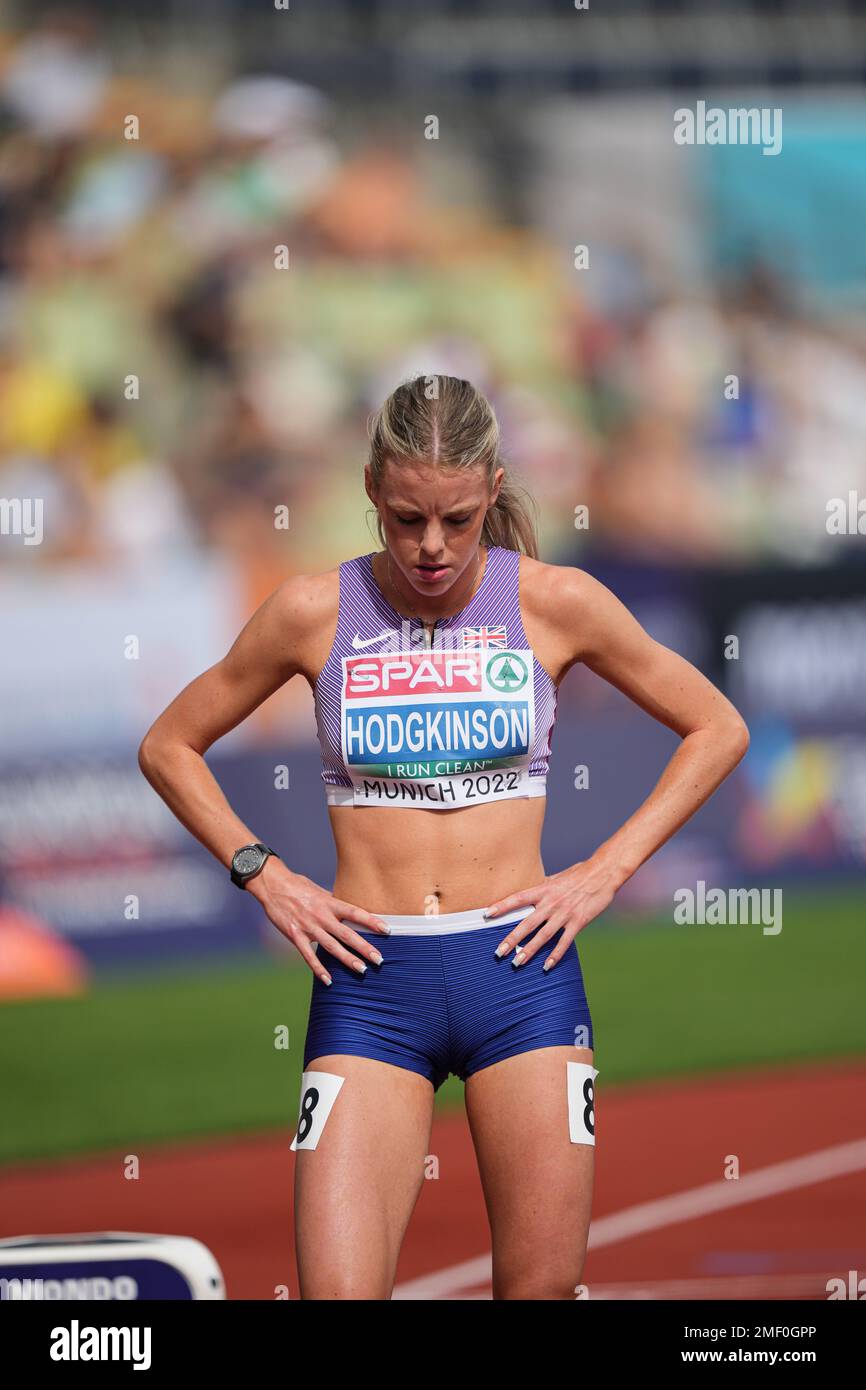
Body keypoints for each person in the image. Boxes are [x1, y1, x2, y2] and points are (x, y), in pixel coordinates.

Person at [138, 374, 749, 1300]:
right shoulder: (313, 611)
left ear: (493, 489)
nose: (431, 545)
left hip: (523, 976)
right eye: (406, 518)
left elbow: (717, 726)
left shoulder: (557, 601)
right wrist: (264, 873)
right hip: (369, 985)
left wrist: (604, 871)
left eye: (458, 520)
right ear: (371, 490)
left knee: (538, 1293)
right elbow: (169, 745)